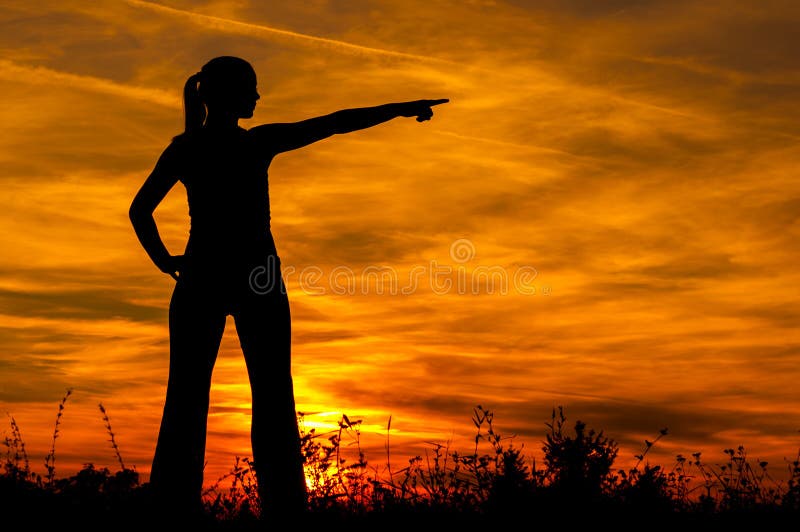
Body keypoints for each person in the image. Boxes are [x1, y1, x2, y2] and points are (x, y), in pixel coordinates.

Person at [128, 55, 448, 517]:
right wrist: (399, 108)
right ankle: (286, 511)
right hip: (258, 276)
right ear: (229, 94)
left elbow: (141, 211)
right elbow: (332, 124)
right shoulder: (254, 143)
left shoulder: (186, 148)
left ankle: (172, 509)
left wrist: (166, 262)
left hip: (203, 274)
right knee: (273, 395)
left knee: (187, 397)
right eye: (251, 88)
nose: (258, 97)